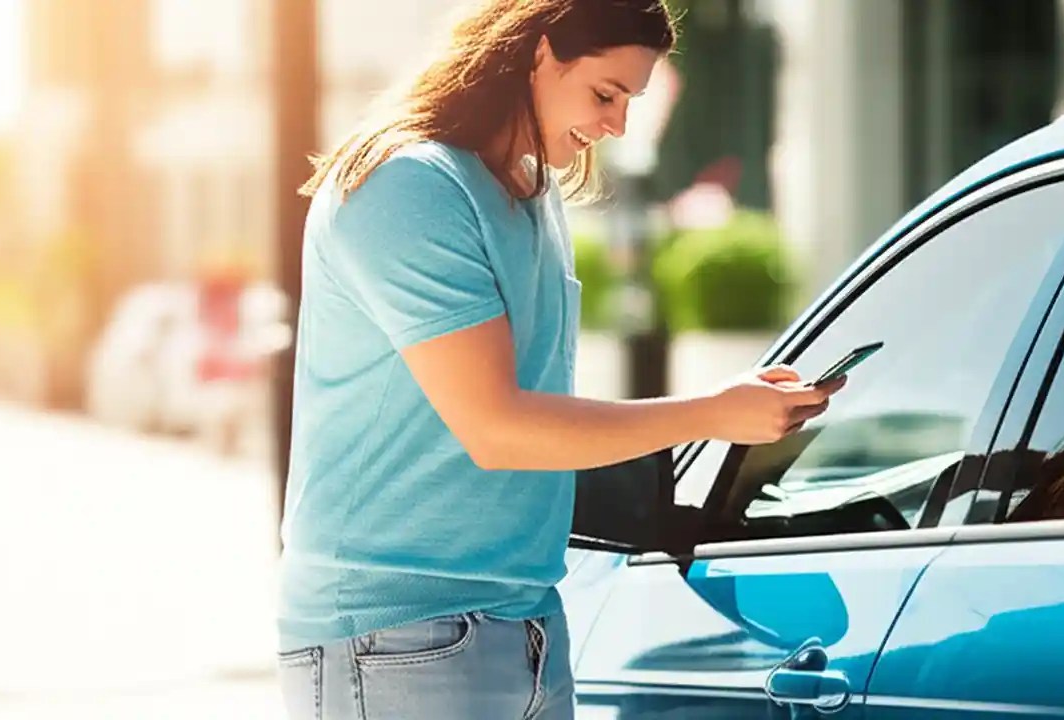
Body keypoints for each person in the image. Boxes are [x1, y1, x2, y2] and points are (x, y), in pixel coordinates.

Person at [276, 1, 844, 717]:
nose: (617, 125)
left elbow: (543, 409)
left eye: (631, 101)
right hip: (395, 634)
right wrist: (713, 414)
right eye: (605, 94)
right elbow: (499, 429)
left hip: (526, 619)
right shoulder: (410, 186)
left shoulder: (534, 194)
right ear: (537, 54)